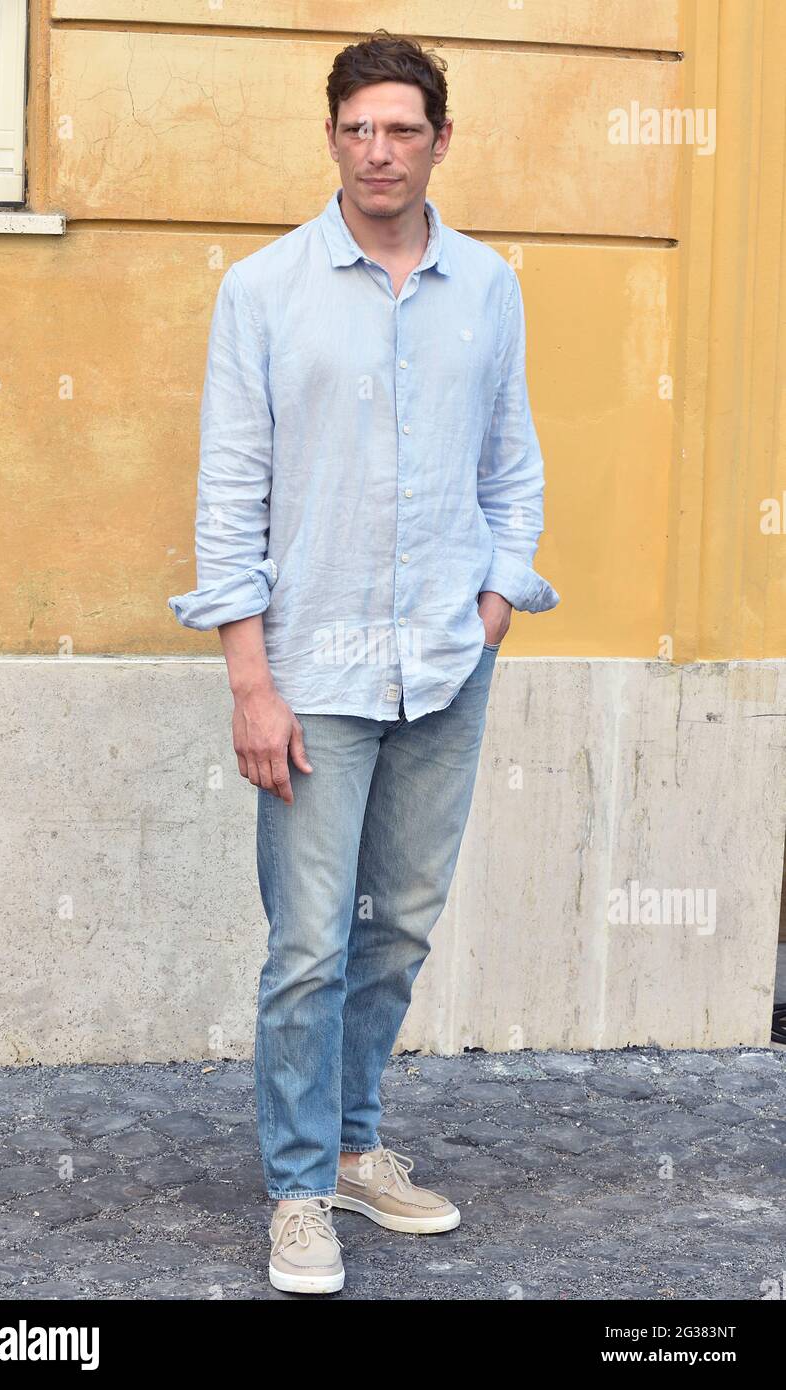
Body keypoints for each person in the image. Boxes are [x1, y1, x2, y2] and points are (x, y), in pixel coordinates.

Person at [169, 29, 559, 1295]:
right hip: (311, 672)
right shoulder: (264, 290)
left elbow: (513, 463)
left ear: (439, 139)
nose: (376, 150)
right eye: (355, 128)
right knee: (306, 946)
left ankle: (348, 1146)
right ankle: (294, 1190)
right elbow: (230, 493)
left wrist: (495, 601)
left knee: (395, 932)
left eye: (401, 128)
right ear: (330, 136)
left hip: (447, 665)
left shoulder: (489, 286)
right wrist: (249, 679)